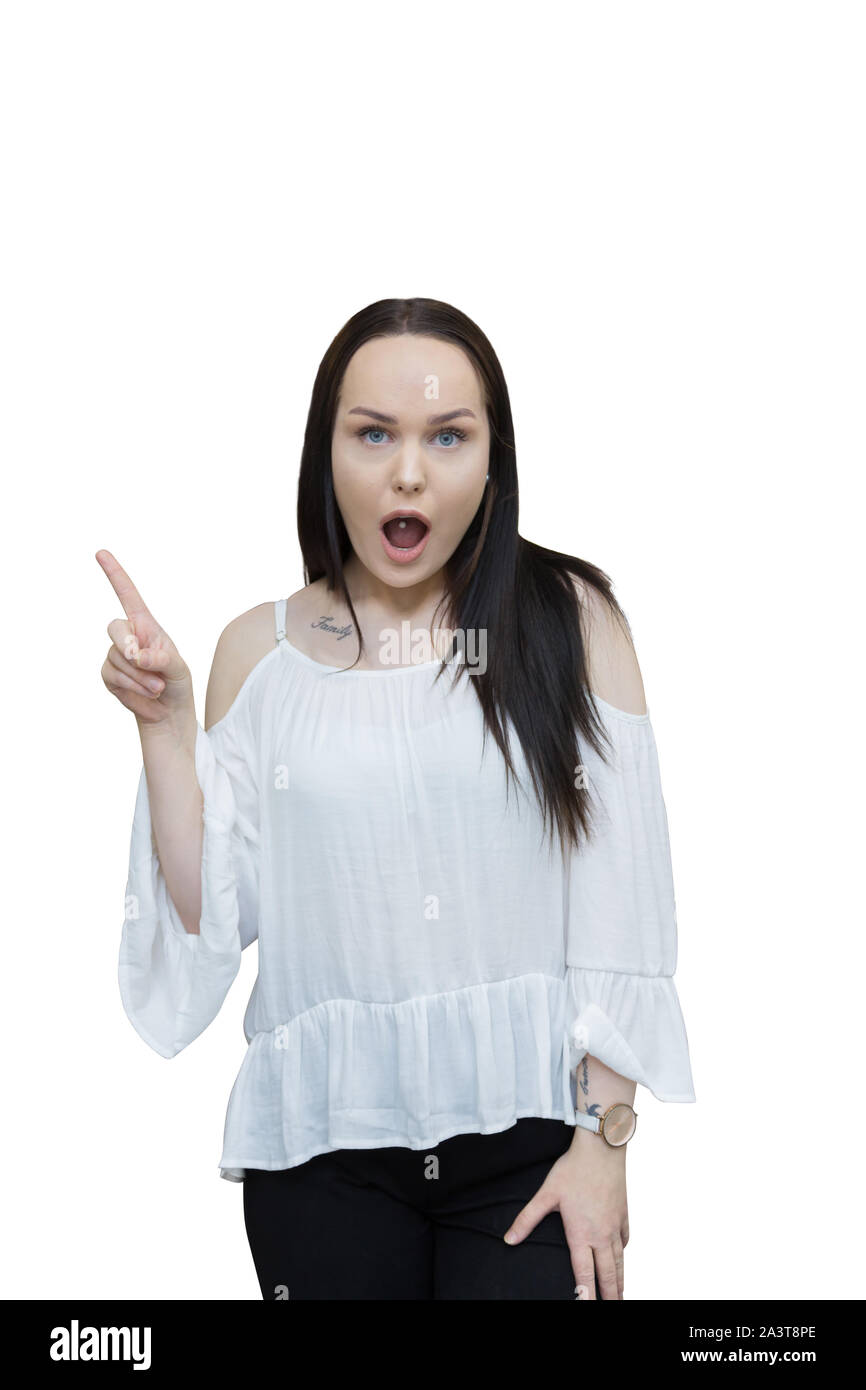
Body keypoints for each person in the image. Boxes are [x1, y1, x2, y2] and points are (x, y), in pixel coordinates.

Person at [97, 297, 695, 1301]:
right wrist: (167, 729)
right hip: (321, 1155)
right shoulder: (262, 652)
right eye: (372, 433)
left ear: (491, 461)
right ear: (324, 452)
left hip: (529, 1150)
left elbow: (618, 914)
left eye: (446, 437)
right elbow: (212, 914)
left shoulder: (571, 621)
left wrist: (605, 1144)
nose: (406, 471)